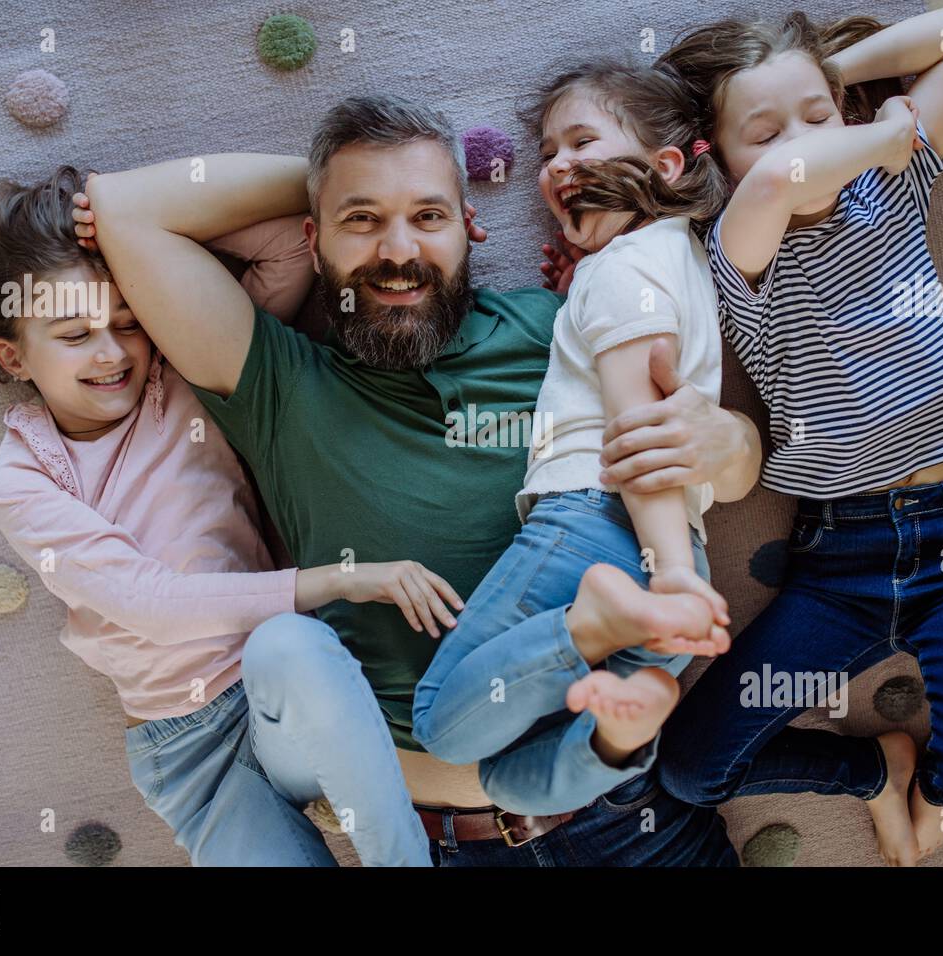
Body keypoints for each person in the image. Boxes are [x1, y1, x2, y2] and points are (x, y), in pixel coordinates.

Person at [71, 96, 763, 865]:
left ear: (472, 226)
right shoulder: (279, 383)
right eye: (361, 220)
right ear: (314, 238)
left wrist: (731, 441)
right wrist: (327, 179)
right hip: (429, 842)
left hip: (627, 814)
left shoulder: (553, 325)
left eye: (428, 217)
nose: (397, 251)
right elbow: (126, 210)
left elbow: (719, 482)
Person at [0, 167, 440, 865]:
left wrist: (126, 218)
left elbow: (287, 246)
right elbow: (146, 603)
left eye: (128, 321)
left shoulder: (187, 370)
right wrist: (333, 581)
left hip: (287, 691)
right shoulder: (22, 479)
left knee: (292, 647)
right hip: (187, 749)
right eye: (74, 334)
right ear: (13, 355)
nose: (111, 351)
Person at [655, 3, 943, 865]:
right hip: (842, 559)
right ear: (718, 156)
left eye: (818, 113)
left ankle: (933, 782)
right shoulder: (737, 246)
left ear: (841, 103)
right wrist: (875, 133)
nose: (799, 144)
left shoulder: (893, 185)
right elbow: (775, 184)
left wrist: (844, 80)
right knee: (688, 766)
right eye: (764, 131)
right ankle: (874, 767)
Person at [412, 61, 736, 816]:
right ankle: (624, 733)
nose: (558, 164)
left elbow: (637, 435)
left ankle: (595, 626)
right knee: (501, 781)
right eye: (549, 153)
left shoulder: (620, 273)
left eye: (582, 141)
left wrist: (674, 575)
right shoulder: (678, 258)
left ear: (663, 164)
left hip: (604, 527)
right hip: (665, 566)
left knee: (441, 728)